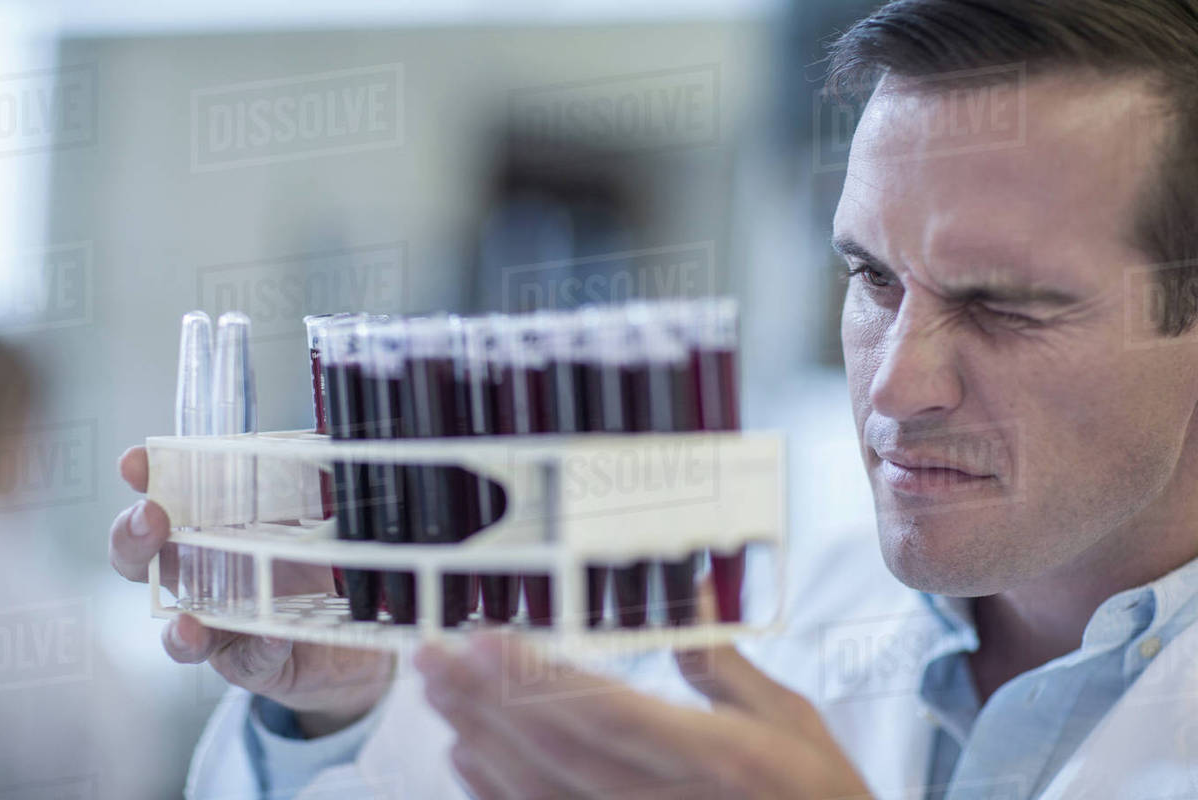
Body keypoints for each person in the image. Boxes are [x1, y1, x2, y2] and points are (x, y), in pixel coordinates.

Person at [109, 0, 1198, 796]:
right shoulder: (781, 617)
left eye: (1003, 304)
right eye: (871, 278)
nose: (894, 385)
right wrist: (338, 701)